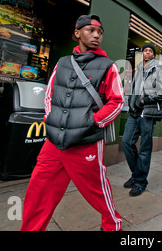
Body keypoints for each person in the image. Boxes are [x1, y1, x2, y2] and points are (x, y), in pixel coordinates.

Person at [21, 14, 124, 231]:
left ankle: (112, 224)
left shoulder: (108, 66)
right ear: (77, 34)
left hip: (86, 141)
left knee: (95, 190)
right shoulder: (62, 63)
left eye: (100, 32)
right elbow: (49, 95)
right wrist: (52, 121)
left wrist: (92, 123)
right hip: (54, 142)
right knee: (38, 189)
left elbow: (116, 101)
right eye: (90, 30)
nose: (97, 35)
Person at [122, 43, 162, 196]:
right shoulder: (139, 68)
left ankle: (140, 182)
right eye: (145, 50)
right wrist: (132, 103)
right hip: (135, 113)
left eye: (150, 51)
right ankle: (136, 175)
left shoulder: (158, 69)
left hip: (147, 113)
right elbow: (134, 89)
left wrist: (144, 101)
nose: (147, 52)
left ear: (153, 54)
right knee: (126, 142)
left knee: (145, 149)